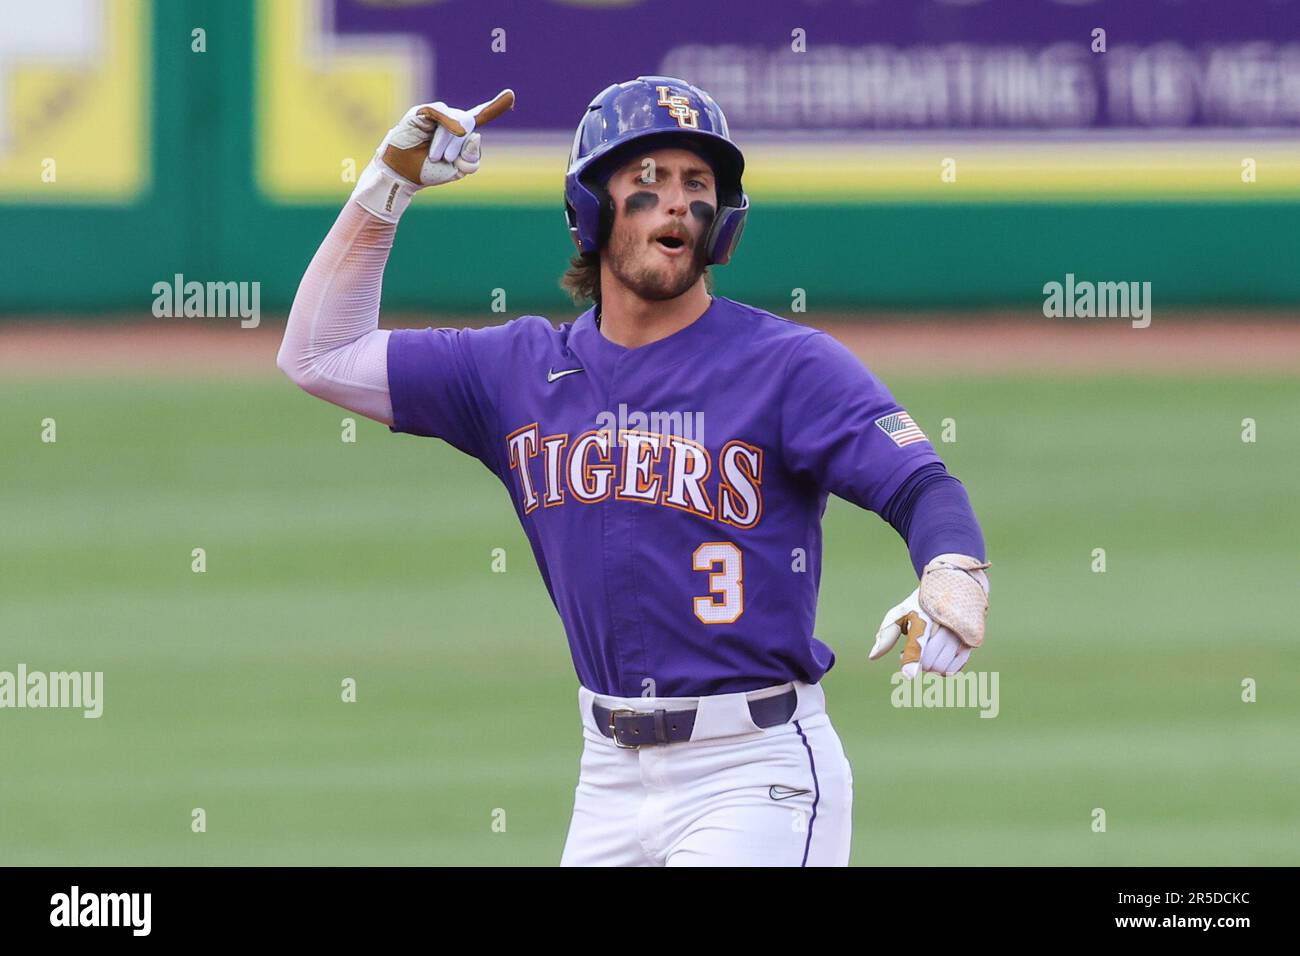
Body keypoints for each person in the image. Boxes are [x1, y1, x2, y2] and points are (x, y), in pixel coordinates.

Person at [277, 76, 990, 867]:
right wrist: (387, 186)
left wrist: (953, 568)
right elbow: (318, 353)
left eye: (698, 184)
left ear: (724, 221)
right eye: (648, 182)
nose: (678, 201)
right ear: (592, 208)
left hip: (754, 777)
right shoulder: (517, 370)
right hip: (609, 779)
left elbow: (920, 483)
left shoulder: (789, 367)